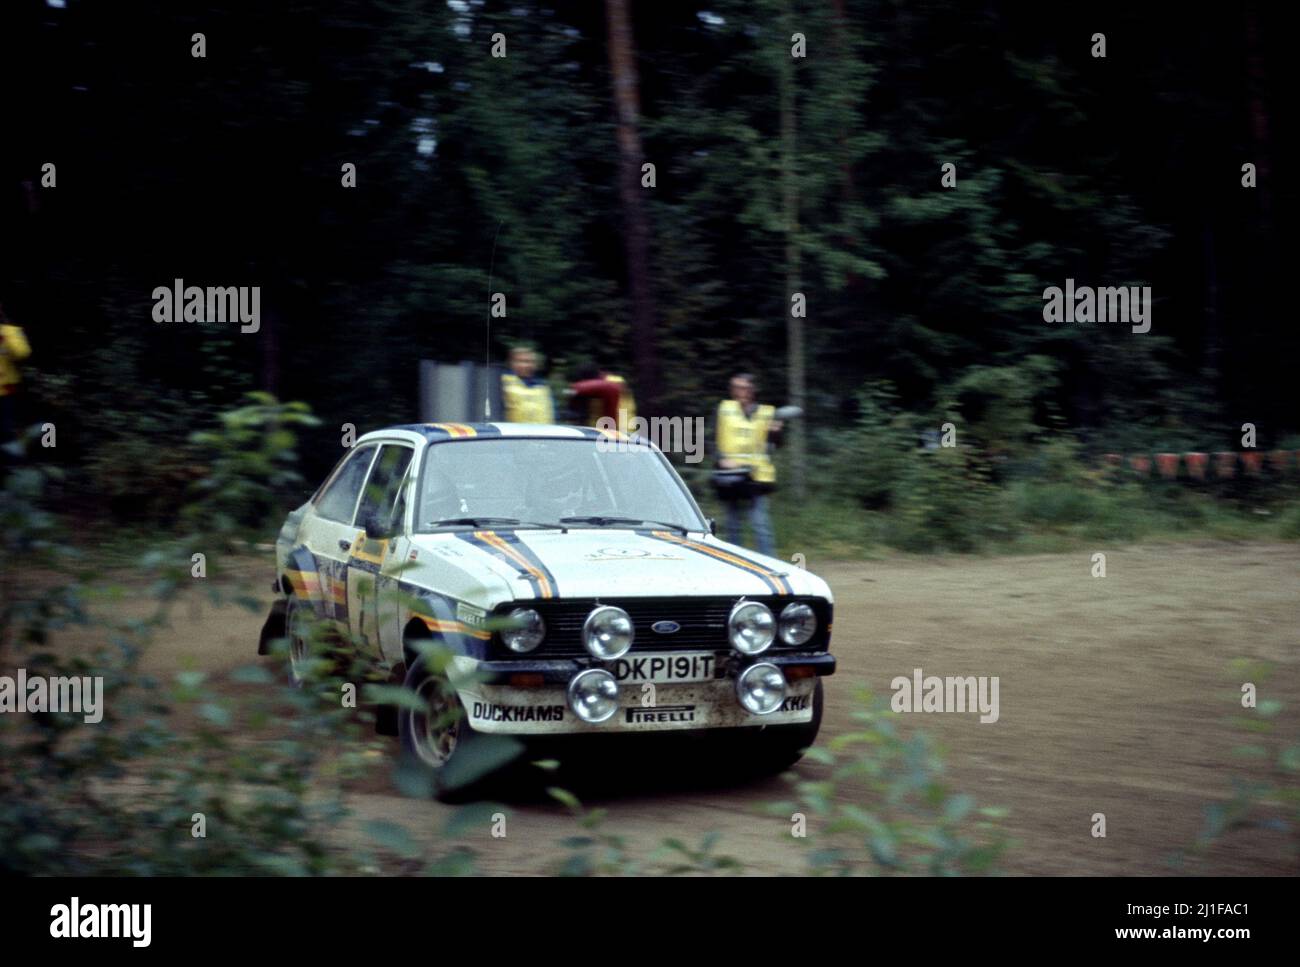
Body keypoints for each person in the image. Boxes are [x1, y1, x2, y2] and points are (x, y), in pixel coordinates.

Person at [715, 373, 783, 557]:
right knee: (732, 524)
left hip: (757, 475)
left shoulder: (767, 412)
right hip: (730, 474)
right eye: (735, 387)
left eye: (743, 387)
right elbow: (715, 440)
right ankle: (735, 563)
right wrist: (721, 459)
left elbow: (775, 445)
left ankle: (770, 563)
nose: (739, 392)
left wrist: (776, 433)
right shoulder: (725, 409)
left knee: (760, 523)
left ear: (753, 390)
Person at [567, 365, 637, 430]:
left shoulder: (614, 381)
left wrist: (575, 389)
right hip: (598, 429)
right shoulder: (594, 389)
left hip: (623, 428)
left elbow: (609, 387)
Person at [0, 305, 32, 448]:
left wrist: (7, 336)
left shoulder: (10, 331)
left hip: (5, 388)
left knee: (7, 427)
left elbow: (23, 353)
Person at [500, 346, 555, 424]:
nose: (526, 365)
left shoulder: (543, 386)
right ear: (511, 363)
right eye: (521, 361)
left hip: (542, 434)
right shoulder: (502, 383)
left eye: (530, 362)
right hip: (513, 434)